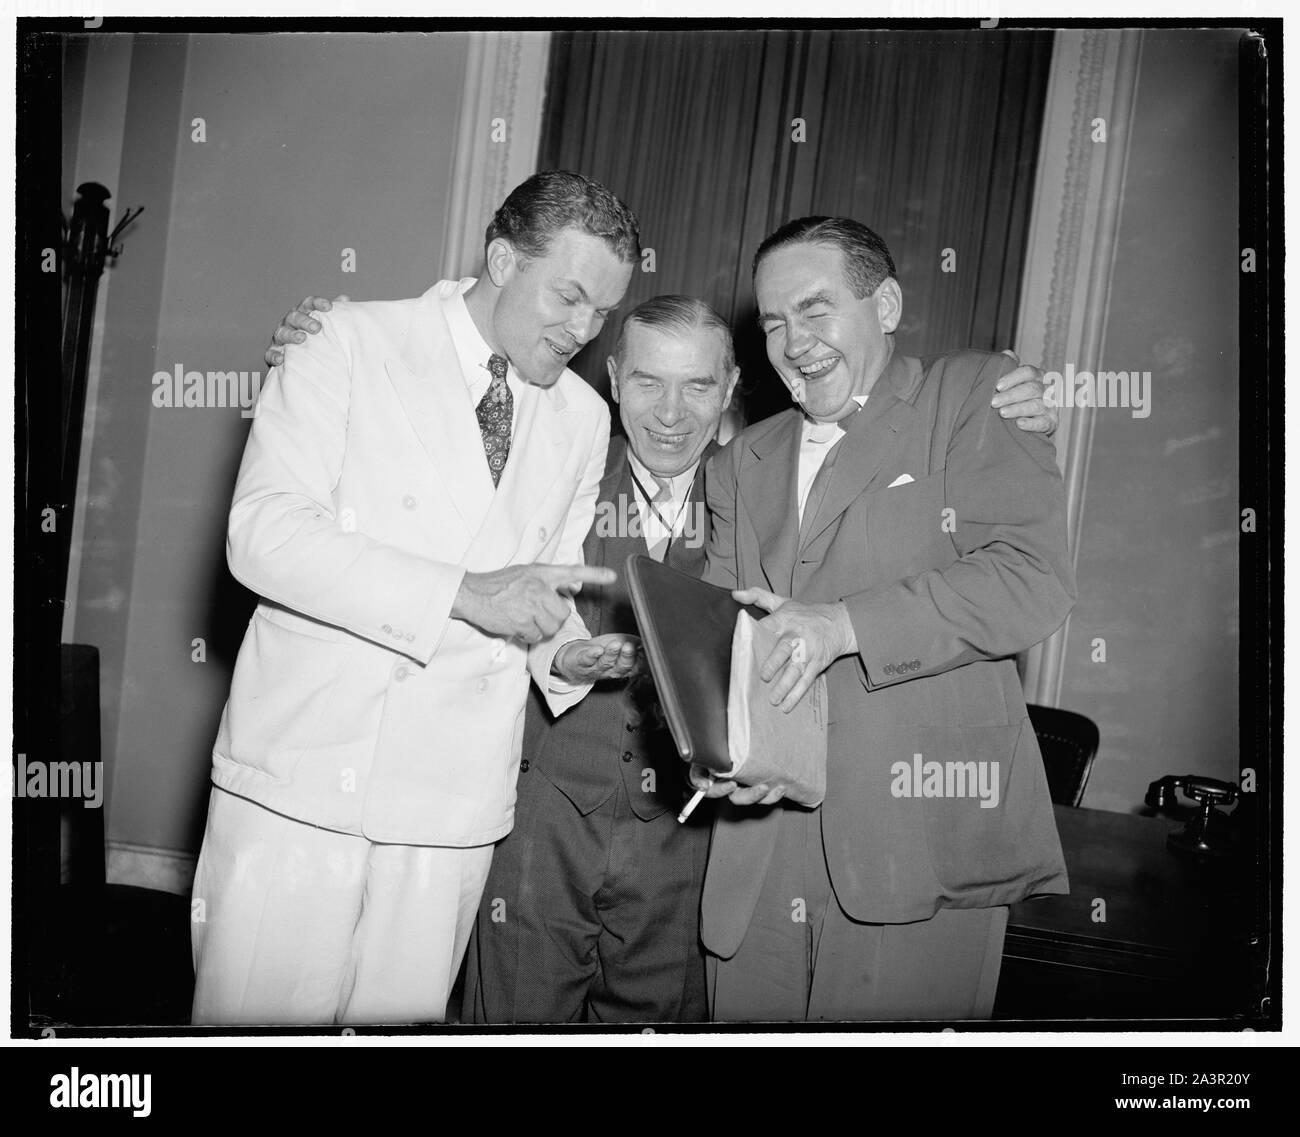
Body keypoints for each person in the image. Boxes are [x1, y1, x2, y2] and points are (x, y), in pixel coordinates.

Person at [190, 171, 646, 1026]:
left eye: (603, 312)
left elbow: (542, 584)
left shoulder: (584, 418)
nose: (584, 331)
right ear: (503, 258)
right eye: (571, 296)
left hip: (451, 802)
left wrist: (567, 653)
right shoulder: (347, 338)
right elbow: (264, 534)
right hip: (307, 775)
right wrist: (462, 595)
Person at [691, 216, 1075, 1022]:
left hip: (920, 847)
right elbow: (722, 639)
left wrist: (844, 624)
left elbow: (1030, 581)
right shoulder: (737, 461)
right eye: (772, 322)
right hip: (760, 853)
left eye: (816, 308)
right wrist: (713, 744)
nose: (795, 342)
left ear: (888, 304)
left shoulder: (973, 396)